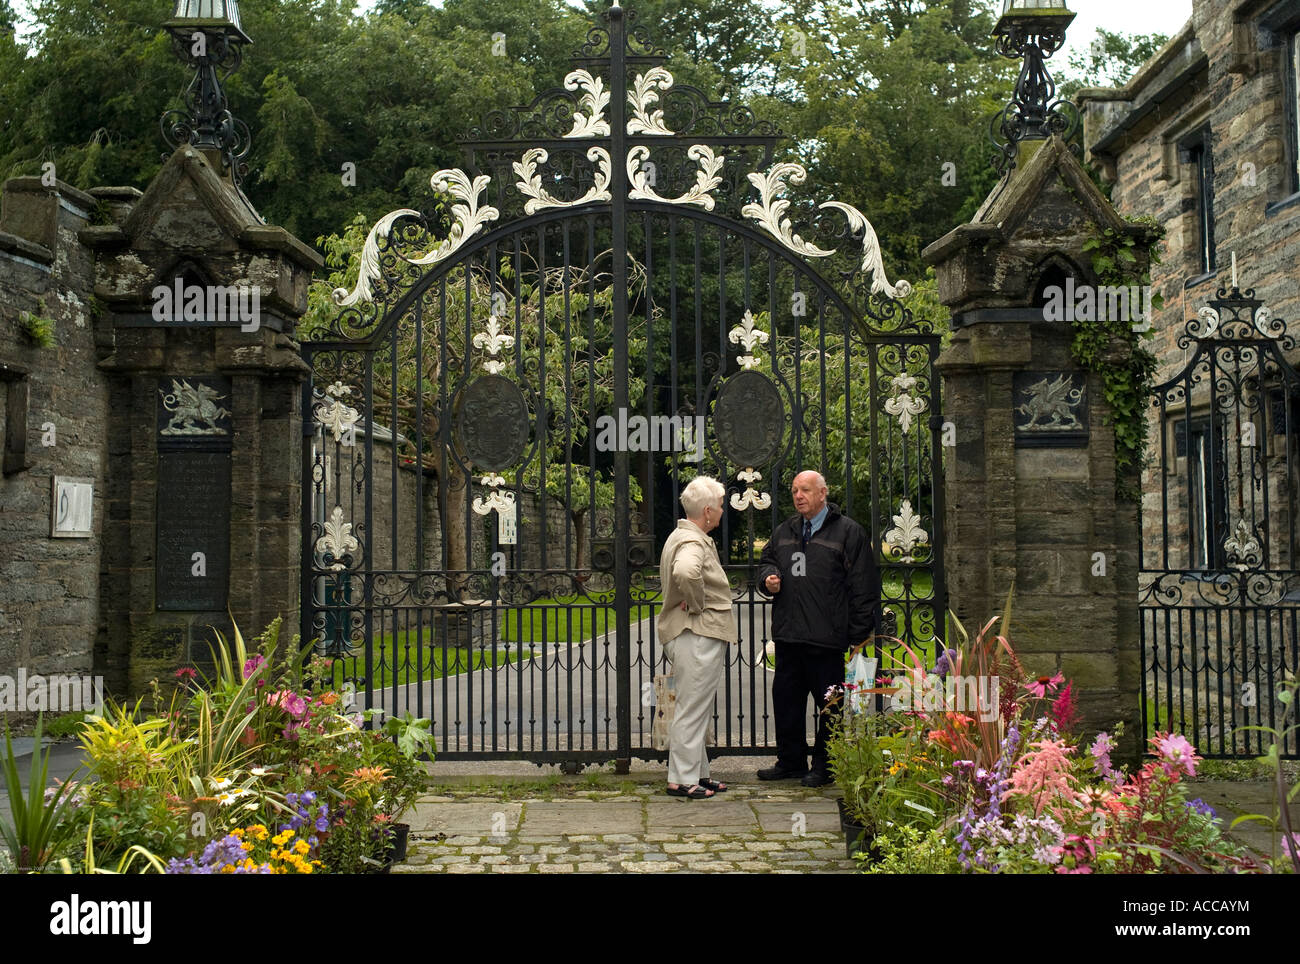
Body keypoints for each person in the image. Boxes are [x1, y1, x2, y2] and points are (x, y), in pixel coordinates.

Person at [757, 470, 880, 787]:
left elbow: (863, 588)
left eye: (806, 490)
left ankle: (825, 765)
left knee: (830, 706)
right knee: (786, 702)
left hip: (826, 639)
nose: (799, 495)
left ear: (823, 493)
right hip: (788, 635)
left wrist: (858, 636)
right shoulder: (786, 529)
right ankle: (791, 761)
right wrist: (768, 577)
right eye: (795, 490)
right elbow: (767, 559)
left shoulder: (848, 533)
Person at [656, 475, 737, 799]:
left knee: (696, 707)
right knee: (692, 708)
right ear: (707, 511)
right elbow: (686, 572)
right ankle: (680, 779)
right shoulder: (692, 542)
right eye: (719, 505)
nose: (721, 510)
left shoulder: (685, 535)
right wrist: (699, 603)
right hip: (696, 633)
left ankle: (697, 773)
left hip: (692, 634)